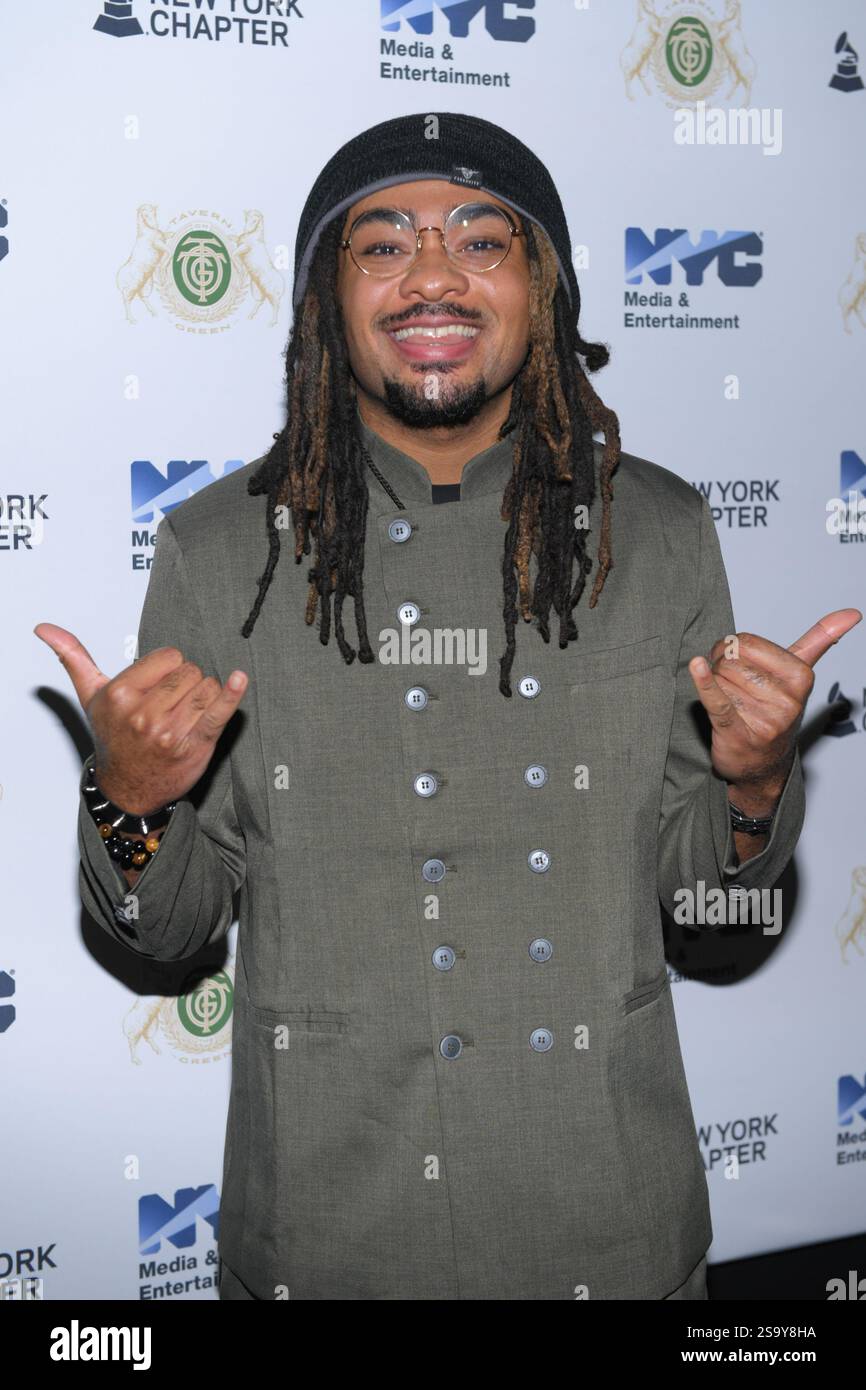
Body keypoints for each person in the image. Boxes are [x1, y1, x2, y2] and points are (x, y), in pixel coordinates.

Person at [36, 113, 859, 1301]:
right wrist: (126, 799)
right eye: (381, 247)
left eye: (481, 240)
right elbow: (161, 933)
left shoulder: (661, 531)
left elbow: (715, 916)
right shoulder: (219, 553)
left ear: (544, 287)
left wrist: (754, 781)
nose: (430, 275)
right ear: (330, 301)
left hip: (608, 1229)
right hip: (329, 1241)